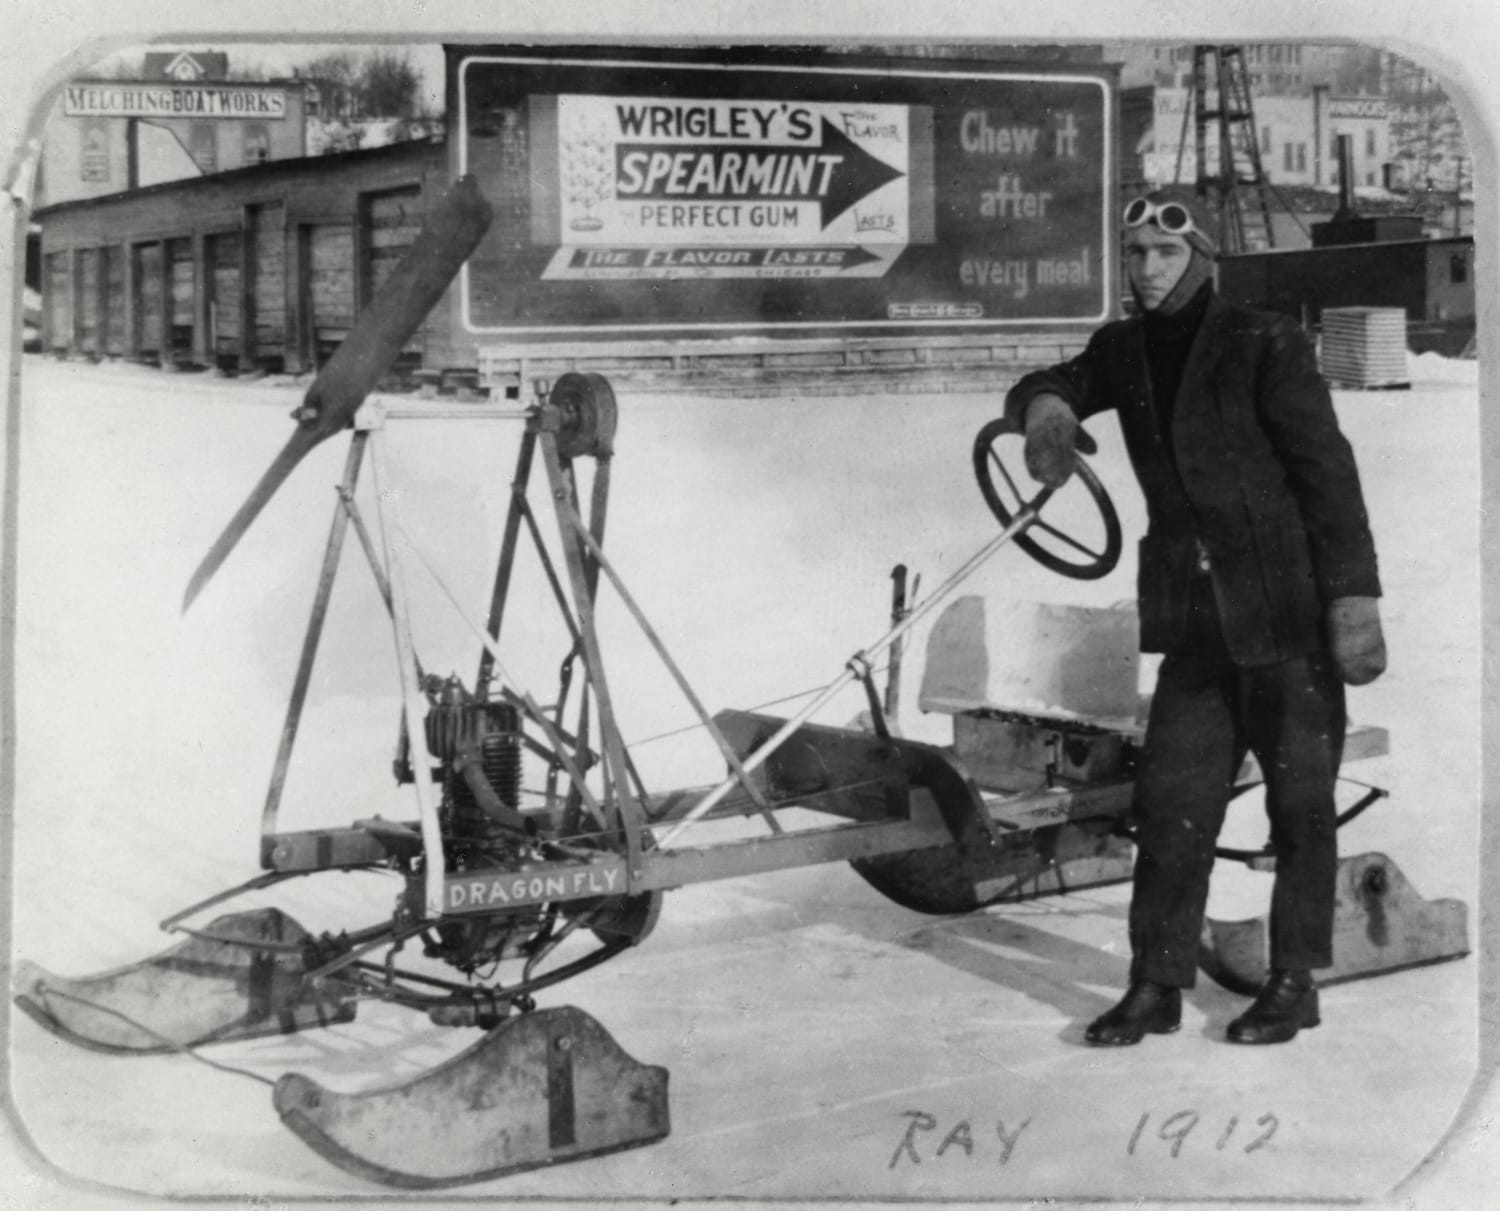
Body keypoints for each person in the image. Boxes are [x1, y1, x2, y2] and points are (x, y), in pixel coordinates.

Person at [1000, 192, 1387, 1046]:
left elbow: (1328, 473)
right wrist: (1049, 412)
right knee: (1171, 802)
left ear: (1202, 259)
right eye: (1134, 254)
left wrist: (1353, 598)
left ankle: (1294, 980)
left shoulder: (1263, 340)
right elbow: (1053, 380)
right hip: (1195, 625)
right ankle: (1157, 982)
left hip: (1285, 617)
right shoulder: (1125, 348)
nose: (1145, 270)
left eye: (1163, 255)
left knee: (1300, 807)